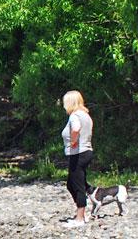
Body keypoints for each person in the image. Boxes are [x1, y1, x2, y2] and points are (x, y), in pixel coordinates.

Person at [61, 90, 94, 228]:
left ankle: (80, 218)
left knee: (77, 184)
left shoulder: (75, 116)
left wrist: (73, 141)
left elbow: (76, 129)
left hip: (78, 153)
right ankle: (93, 195)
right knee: (71, 183)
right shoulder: (85, 115)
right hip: (86, 152)